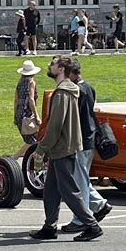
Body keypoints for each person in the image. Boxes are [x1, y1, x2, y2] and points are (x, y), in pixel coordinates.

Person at [31, 57, 99, 241]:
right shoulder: (69, 90)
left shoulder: (61, 93)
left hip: (62, 147)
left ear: (61, 69)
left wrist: (42, 148)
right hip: (63, 146)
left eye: (52, 64)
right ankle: (49, 226)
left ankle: (92, 225)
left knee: (69, 191)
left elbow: (55, 125)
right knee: (51, 190)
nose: (49, 66)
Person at [62, 57, 110, 228]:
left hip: (80, 139)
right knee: (81, 177)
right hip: (89, 137)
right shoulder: (89, 87)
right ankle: (99, 204)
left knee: (79, 181)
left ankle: (80, 218)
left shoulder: (76, 90)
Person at [14, 60, 41, 148]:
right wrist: (37, 116)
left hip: (19, 114)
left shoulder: (20, 83)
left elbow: (16, 100)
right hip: (27, 114)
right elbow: (31, 99)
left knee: (30, 140)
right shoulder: (31, 82)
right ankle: (14, 158)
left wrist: (15, 115)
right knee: (32, 142)